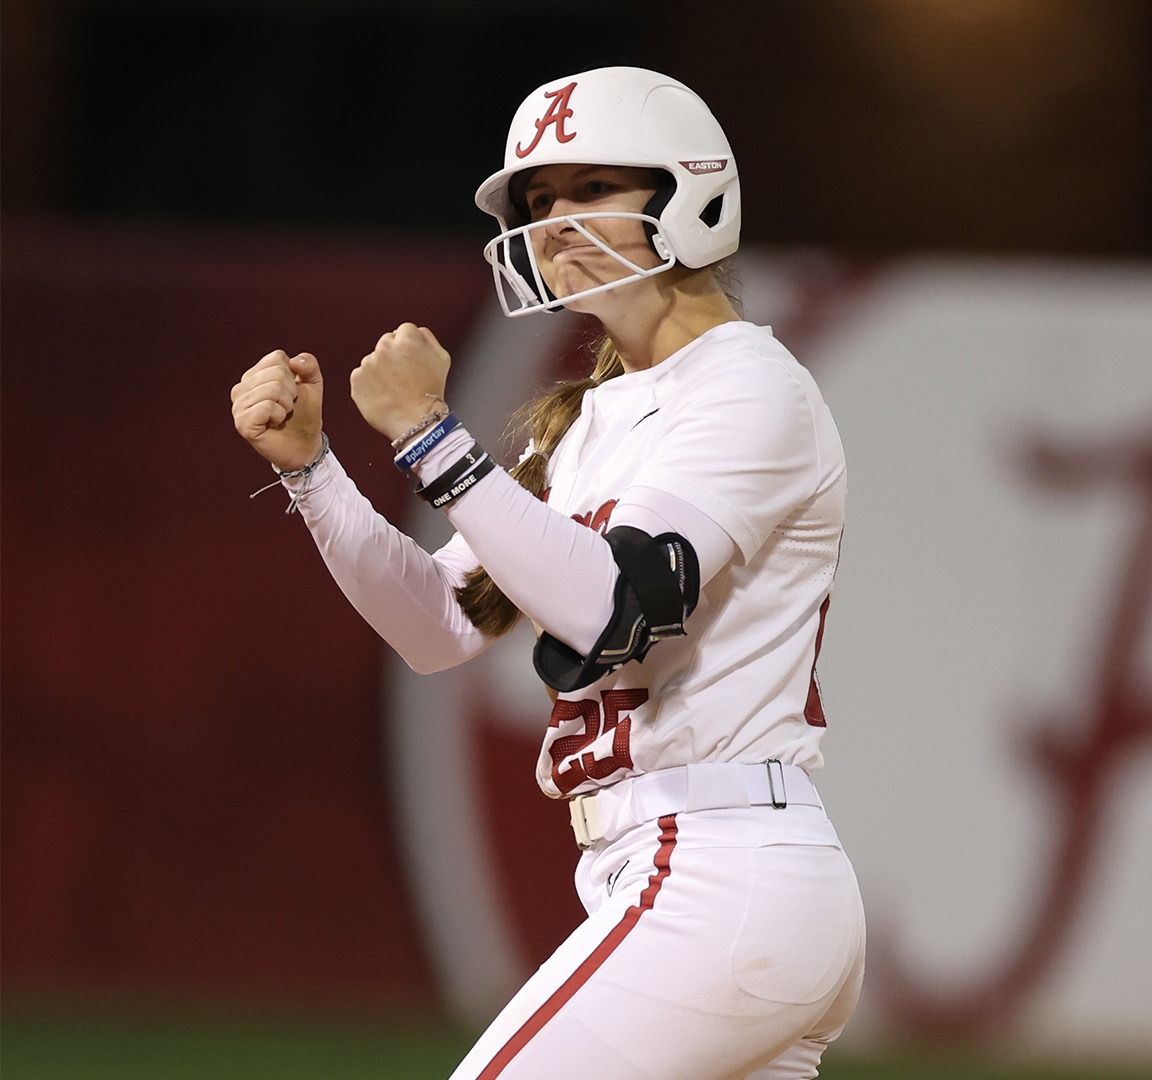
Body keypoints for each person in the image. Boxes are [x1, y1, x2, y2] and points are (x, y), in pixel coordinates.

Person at [228, 67, 864, 1080]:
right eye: (539, 202)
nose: (557, 221)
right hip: (682, 875)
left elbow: (611, 608)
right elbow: (439, 625)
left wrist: (434, 438)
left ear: (688, 193)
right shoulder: (590, 422)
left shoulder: (750, 387)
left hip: (717, 868)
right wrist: (314, 473)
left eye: (592, 187)